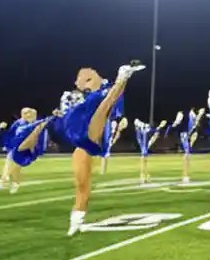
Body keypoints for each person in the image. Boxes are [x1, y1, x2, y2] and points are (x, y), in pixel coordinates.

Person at [57, 61, 145, 235]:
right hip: (79, 138)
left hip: (92, 134)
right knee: (82, 183)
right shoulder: (70, 96)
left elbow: (113, 98)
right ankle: (77, 218)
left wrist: (121, 84)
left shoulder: (101, 93)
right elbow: (69, 115)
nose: (88, 78)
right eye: (84, 77)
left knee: (104, 103)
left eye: (91, 75)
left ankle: (124, 75)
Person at [0, 107, 58, 193]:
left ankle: (8, 180)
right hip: (18, 146)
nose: (28, 115)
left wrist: (53, 116)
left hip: (30, 148)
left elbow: (44, 123)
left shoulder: (37, 124)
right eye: (25, 113)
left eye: (29, 113)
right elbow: (11, 133)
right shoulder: (18, 123)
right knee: (11, 161)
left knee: (15, 163)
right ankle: (6, 180)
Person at [178, 108, 206, 185]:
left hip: (186, 134)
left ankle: (186, 175)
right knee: (187, 154)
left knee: (187, 154)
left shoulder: (191, 116)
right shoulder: (190, 115)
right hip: (185, 134)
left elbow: (195, 125)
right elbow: (194, 124)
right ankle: (185, 175)